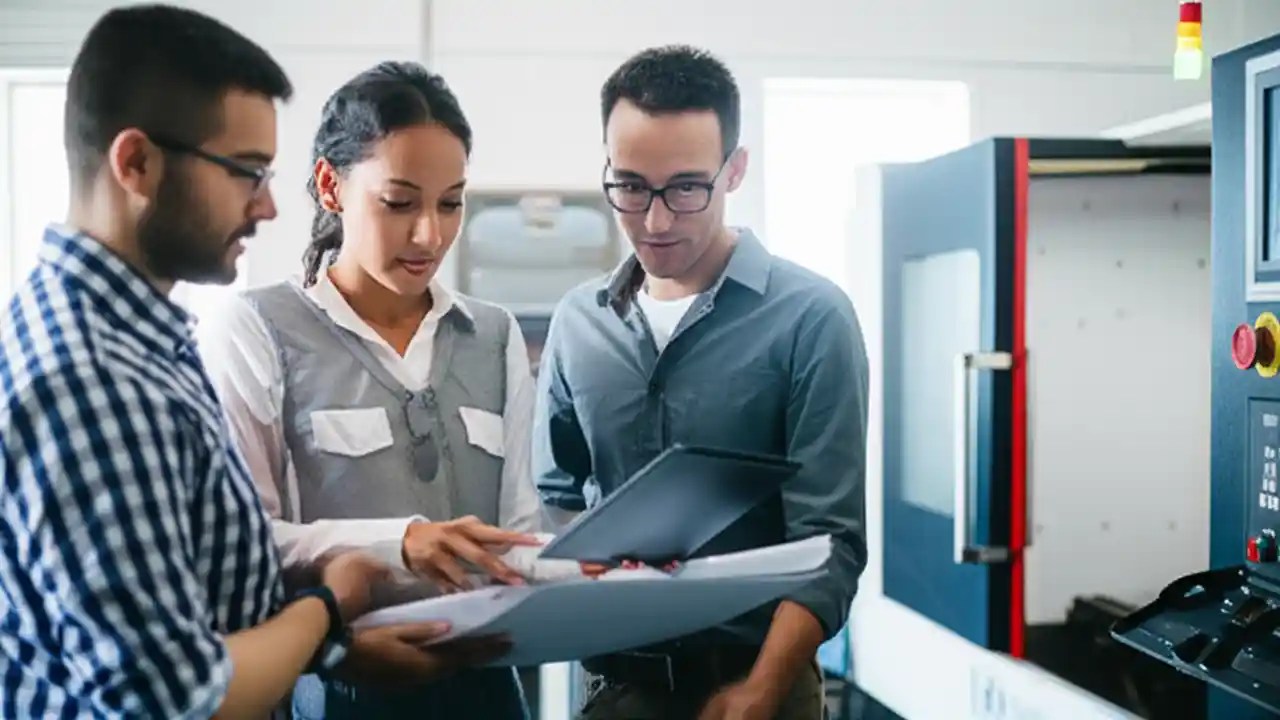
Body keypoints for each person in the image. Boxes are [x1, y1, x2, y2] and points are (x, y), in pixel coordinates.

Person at [0, 5, 470, 718]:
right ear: (136, 163)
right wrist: (326, 608)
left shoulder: (135, 339)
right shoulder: (93, 379)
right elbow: (179, 699)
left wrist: (326, 646)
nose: (270, 207)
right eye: (245, 173)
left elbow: (193, 605)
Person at [199, 60, 545, 719]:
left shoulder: (495, 336)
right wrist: (401, 541)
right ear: (331, 186)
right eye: (399, 202)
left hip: (487, 691)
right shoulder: (256, 330)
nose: (430, 235)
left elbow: (520, 537)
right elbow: (244, 543)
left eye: (451, 203)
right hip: (335, 686)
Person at [532, 44, 869, 720]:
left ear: (734, 169)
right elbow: (558, 500)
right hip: (614, 689)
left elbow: (830, 539)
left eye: (686, 188)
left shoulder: (810, 318)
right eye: (629, 185)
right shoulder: (577, 323)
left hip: (757, 687)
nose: (655, 222)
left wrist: (763, 688)